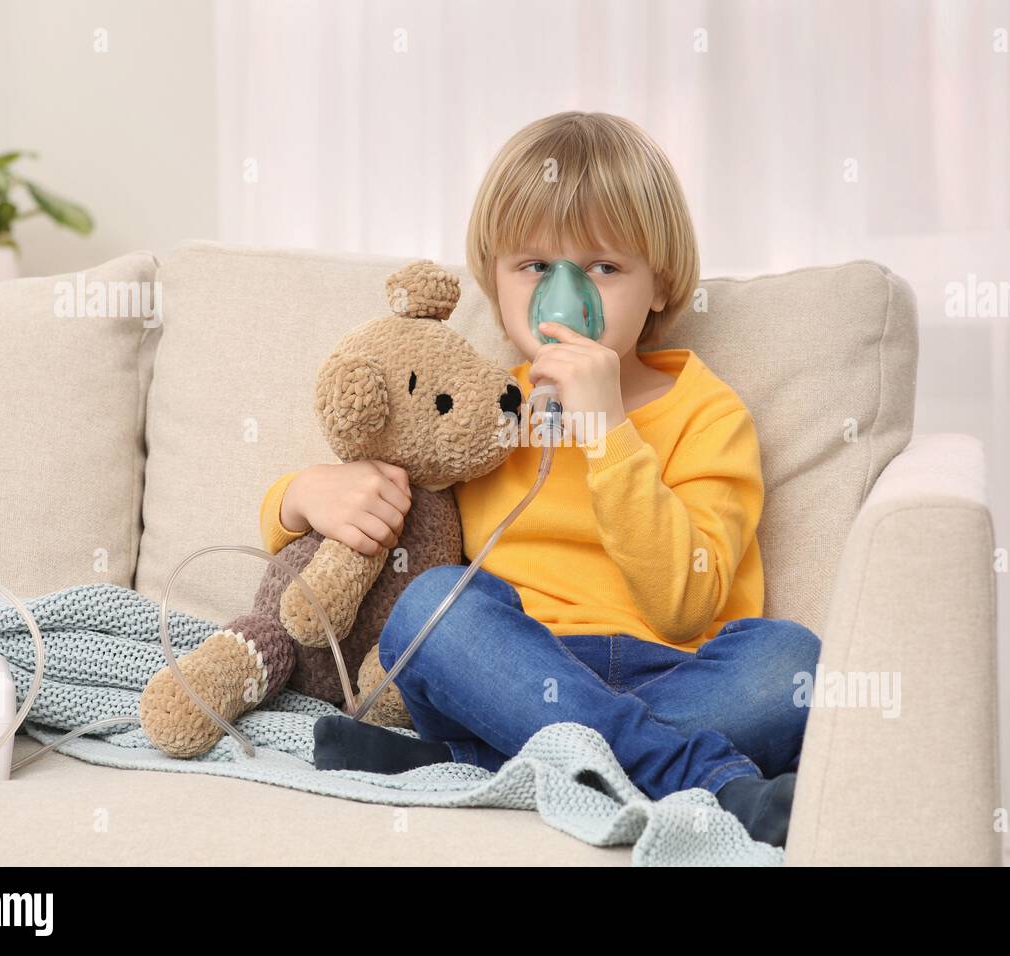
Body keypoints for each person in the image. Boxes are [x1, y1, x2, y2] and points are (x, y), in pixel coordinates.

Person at [259, 111, 820, 846]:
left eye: (604, 268)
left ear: (661, 284)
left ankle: (475, 761)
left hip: (675, 671)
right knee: (436, 608)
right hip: (512, 666)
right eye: (535, 267)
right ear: (494, 280)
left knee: (793, 664)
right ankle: (709, 777)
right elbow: (367, 498)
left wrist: (609, 431)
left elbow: (686, 604)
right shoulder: (483, 408)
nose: (565, 295)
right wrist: (300, 498)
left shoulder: (709, 414)